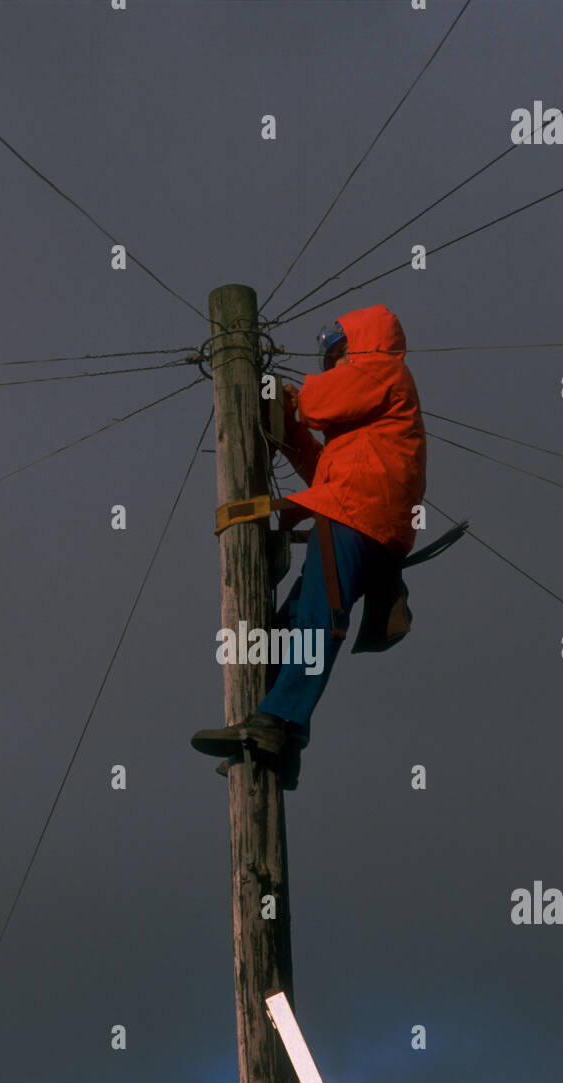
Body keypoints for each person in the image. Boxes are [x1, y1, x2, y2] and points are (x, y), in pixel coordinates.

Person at [191, 303, 427, 789]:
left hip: (356, 515)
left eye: (337, 352)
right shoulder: (367, 419)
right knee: (289, 626)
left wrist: (288, 397)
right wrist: (290, 428)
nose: (333, 362)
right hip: (352, 511)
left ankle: (275, 726)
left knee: (319, 619)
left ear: (356, 344)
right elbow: (326, 468)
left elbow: (318, 404)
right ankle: (280, 735)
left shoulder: (382, 370)